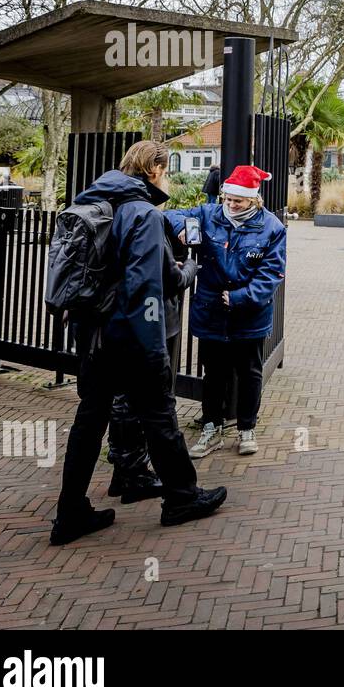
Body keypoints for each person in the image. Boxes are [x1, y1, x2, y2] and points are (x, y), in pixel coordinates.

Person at [50, 142, 227, 546]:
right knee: (160, 416)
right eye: (165, 169)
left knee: (90, 419)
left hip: (94, 334)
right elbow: (145, 287)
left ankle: (70, 511)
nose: (166, 176)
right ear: (154, 169)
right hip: (130, 336)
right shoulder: (143, 212)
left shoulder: (99, 200)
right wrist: (153, 349)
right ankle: (181, 497)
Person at [166, 165, 288, 459]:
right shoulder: (209, 214)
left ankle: (247, 427)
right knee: (214, 374)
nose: (232, 205)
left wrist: (241, 297)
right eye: (228, 199)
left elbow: (271, 273)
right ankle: (211, 427)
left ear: (253, 200)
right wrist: (183, 226)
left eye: (239, 200)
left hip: (248, 314)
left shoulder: (272, 227)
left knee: (249, 373)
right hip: (211, 311)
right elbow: (169, 214)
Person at [106, 213, 198, 503]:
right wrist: (190, 268)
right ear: (155, 172)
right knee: (158, 406)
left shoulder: (115, 211)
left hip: (119, 320)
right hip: (151, 323)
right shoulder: (148, 217)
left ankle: (125, 470)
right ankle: (173, 491)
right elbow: (169, 280)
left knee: (123, 397)